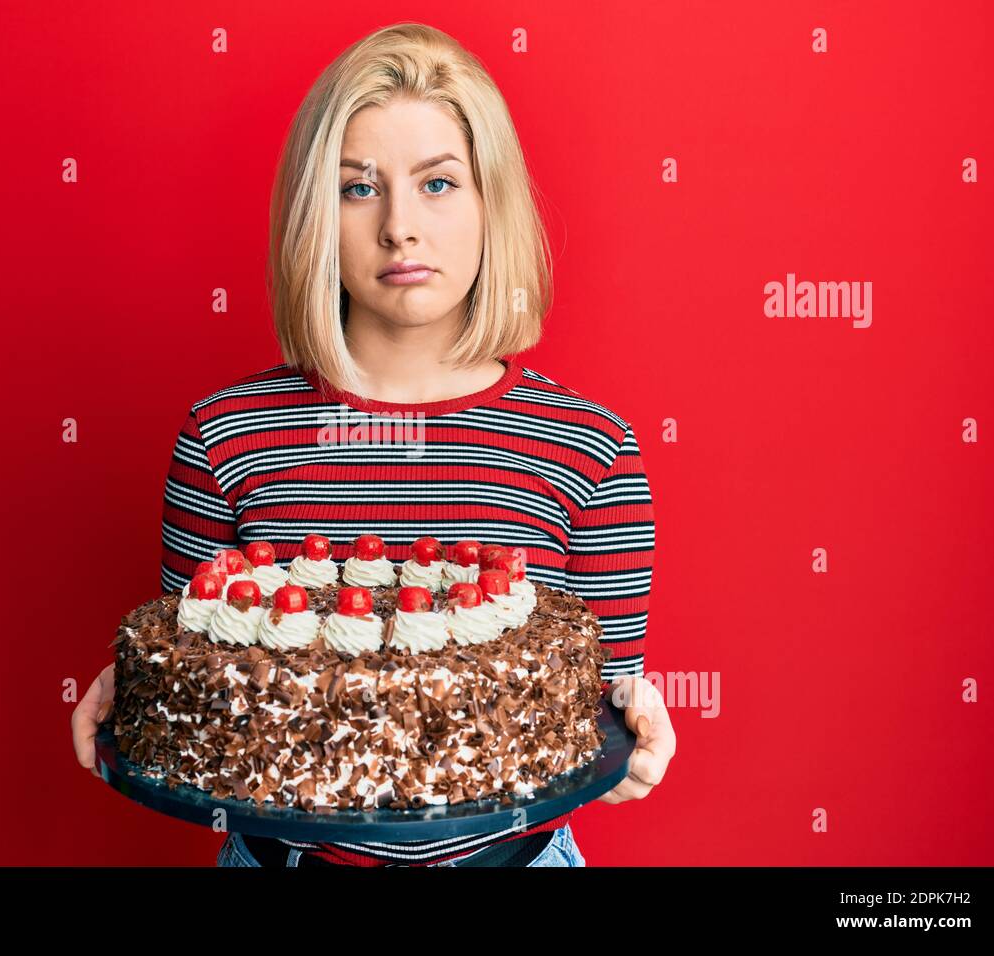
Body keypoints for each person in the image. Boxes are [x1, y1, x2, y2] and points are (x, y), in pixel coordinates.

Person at [72, 21, 675, 867]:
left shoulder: (590, 450)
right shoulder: (223, 438)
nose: (400, 227)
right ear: (316, 214)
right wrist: (130, 699)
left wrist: (636, 742)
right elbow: (198, 688)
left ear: (489, 201)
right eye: (359, 189)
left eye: (437, 184)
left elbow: (597, 717)